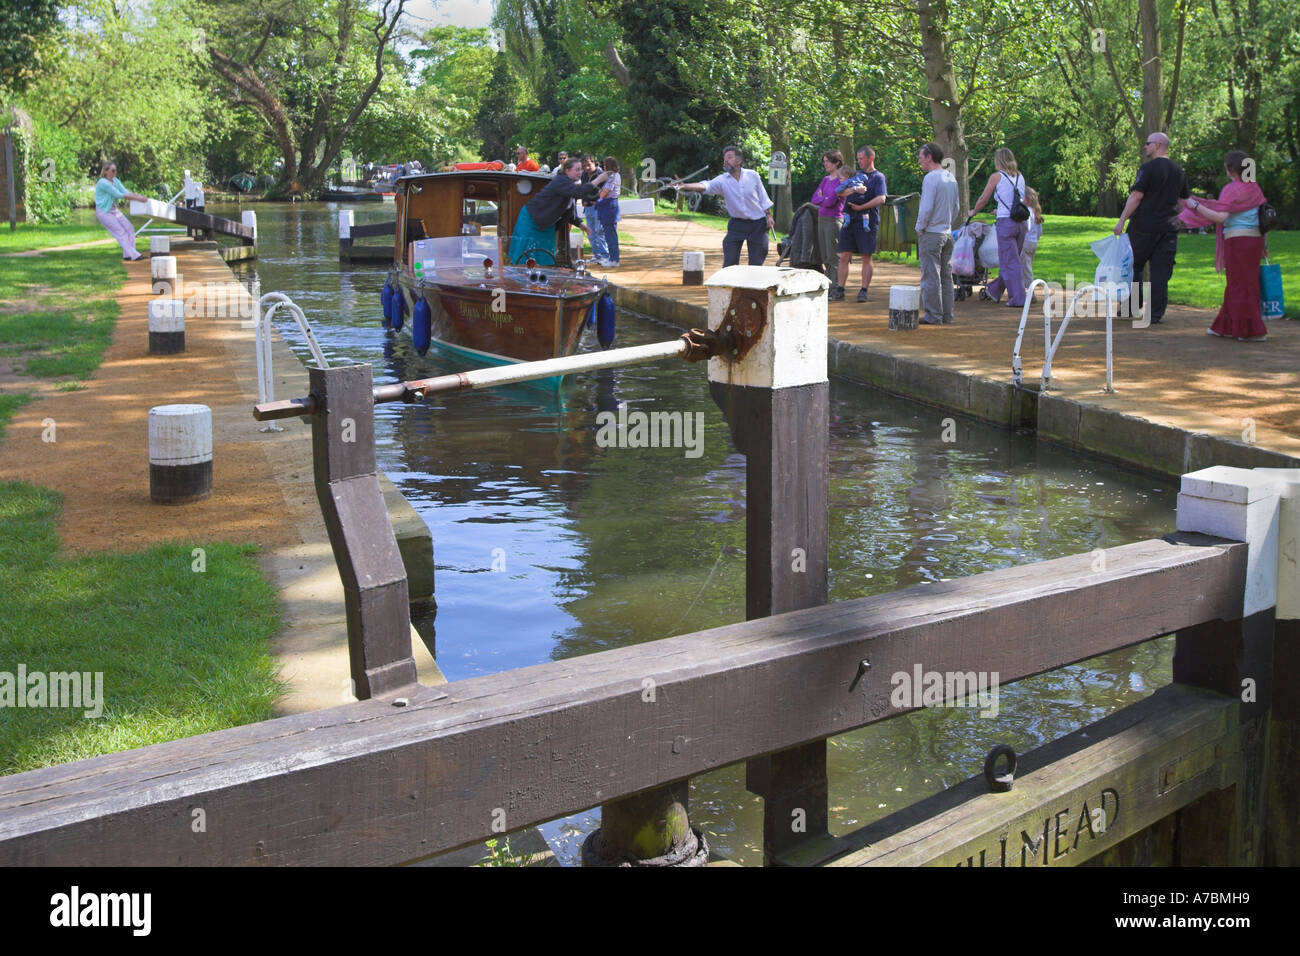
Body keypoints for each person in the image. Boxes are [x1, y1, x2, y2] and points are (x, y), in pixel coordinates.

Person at [1178, 150, 1269, 342]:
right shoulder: (1255, 187)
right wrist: (1264, 246)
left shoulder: (1231, 190)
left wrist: (1194, 205)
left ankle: (1249, 330)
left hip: (1237, 240)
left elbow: (1220, 217)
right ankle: (1224, 325)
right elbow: (1262, 218)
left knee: (1238, 284)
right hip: (1255, 240)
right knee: (1245, 282)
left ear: (1230, 169)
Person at [1114, 131, 1188, 326]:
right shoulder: (1178, 170)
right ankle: (1155, 313)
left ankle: (1132, 305)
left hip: (1143, 226)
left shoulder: (1147, 169)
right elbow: (1184, 200)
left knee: (1134, 265)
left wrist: (1121, 220)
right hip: (1168, 228)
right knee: (1161, 271)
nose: (1145, 147)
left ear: (1157, 145)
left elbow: (1136, 196)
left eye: (1147, 144)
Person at [674, 146, 775, 266]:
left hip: (758, 225)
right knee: (730, 261)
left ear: (739, 160)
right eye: (724, 158)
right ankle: (729, 284)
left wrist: (768, 216)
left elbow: (763, 198)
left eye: (730, 157)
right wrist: (686, 186)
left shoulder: (753, 175)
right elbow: (706, 186)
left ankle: (751, 284)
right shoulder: (722, 180)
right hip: (737, 224)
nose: (726, 160)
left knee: (756, 263)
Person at [969, 147, 1030, 308]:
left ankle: (1018, 298)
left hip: (1006, 223)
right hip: (1021, 223)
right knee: (1012, 260)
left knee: (1010, 262)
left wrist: (974, 211)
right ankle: (994, 290)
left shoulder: (996, 177)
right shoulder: (1020, 176)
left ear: (999, 160)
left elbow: (983, 198)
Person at [506, 158, 594, 264]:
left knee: (545, 255)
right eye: (577, 169)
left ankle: (543, 276)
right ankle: (521, 277)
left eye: (581, 170)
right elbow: (580, 192)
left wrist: (580, 224)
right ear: (567, 170)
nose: (580, 172)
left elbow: (567, 211)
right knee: (524, 252)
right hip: (531, 219)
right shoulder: (561, 180)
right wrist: (599, 180)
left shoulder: (569, 186)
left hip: (546, 224)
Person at [913, 142, 960, 325]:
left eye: (921, 157)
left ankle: (933, 315)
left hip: (932, 233)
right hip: (947, 233)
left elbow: (926, 208)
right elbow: (956, 208)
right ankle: (947, 315)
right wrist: (947, 222)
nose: (919, 161)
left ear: (929, 157)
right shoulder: (951, 177)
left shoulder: (931, 178)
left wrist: (920, 227)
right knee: (946, 277)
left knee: (930, 275)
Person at [833, 146, 887, 302]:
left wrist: (862, 207)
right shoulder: (855, 175)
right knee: (844, 255)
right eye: (857, 158)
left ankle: (863, 290)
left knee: (866, 256)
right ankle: (840, 288)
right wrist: (855, 190)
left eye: (861, 158)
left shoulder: (878, 177)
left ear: (871, 158)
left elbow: (881, 199)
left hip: (867, 221)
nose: (859, 161)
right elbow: (840, 191)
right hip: (849, 220)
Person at [94, 162, 148, 261]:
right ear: (106, 171)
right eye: (112, 170)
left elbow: (125, 191)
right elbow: (119, 195)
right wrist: (138, 198)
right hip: (104, 211)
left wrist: (137, 196)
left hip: (113, 210)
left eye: (115, 170)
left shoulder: (115, 181)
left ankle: (128, 255)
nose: (115, 172)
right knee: (120, 232)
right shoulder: (103, 183)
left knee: (129, 228)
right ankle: (134, 255)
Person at [809, 150, 846, 284]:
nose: (825, 164)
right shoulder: (825, 179)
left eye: (828, 161)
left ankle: (835, 287)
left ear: (837, 162)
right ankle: (829, 285)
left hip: (834, 220)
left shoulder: (841, 180)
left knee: (833, 256)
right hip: (822, 219)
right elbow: (814, 199)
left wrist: (822, 198)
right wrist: (825, 199)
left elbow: (831, 202)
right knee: (824, 256)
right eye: (824, 162)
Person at [592, 156, 622, 267]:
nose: (604, 167)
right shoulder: (613, 175)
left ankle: (614, 259)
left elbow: (605, 192)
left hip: (609, 206)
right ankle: (612, 257)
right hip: (608, 206)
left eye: (605, 165)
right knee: (608, 234)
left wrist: (599, 196)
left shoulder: (613, 176)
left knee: (611, 235)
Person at [579, 155, 610, 263]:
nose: (587, 168)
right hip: (587, 207)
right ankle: (596, 255)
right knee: (590, 232)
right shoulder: (583, 175)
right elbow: (583, 189)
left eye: (588, 165)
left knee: (599, 231)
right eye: (584, 166)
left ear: (594, 163)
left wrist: (598, 201)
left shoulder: (601, 175)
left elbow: (606, 190)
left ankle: (605, 255)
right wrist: (584, 200)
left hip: (599, 207)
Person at [1020, 188, 1044, 292]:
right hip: (1033, 242)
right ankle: (1025, 289)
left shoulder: (1027, 211)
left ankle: (1030, 292)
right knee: (1027, 266)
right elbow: (1039, 231)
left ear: (1026, 199)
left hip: (1026, 242)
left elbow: (1027, 226)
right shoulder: (1035, 211)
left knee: (1026, 269)